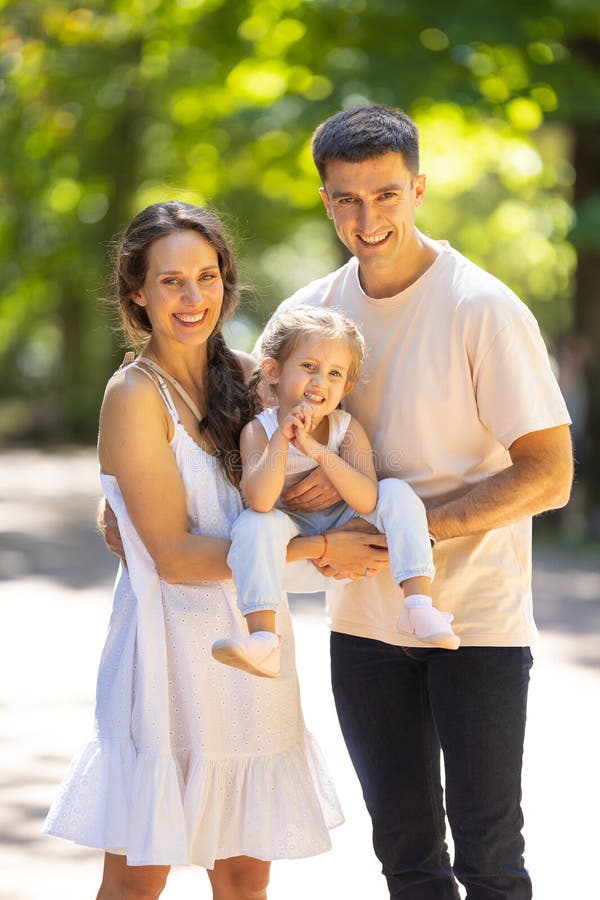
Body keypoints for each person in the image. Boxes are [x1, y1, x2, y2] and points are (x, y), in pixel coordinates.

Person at [257, 105, 573, 899]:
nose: (369, 218)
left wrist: (409, 530)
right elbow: (240, 440)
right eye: (348, 200)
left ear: (419, 189)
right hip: (362, 628)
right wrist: (126, 501)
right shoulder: (309, 319)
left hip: (477, 624)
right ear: (326, 201)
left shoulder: (482, 308)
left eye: (387, 195)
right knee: (406, 862)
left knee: (490, 861)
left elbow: (549, 473)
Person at [43, 201, 342, 900]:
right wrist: (316, 550)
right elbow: (174, 557)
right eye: (171, 281)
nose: (192, 297)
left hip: (252, 651)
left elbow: (316, 462)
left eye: (206, 277)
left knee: (243, 876)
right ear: (137, 293)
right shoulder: (133, 396)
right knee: (138, 879)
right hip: (167, 656)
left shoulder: (249, 376)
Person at [211, 304, 458, 678]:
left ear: (345, 388)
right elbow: (259, 501)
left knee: (395, 492)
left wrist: (317, 451)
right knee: (252, 525)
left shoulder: (346, 427)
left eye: (334, 373)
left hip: (346, 534)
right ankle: (263, 639)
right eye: (308, 367)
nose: (320, 381)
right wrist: (284, 437)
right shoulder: (258, 431)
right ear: (273, 371)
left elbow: (368, 500)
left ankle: (418, 604)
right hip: (293, 551)